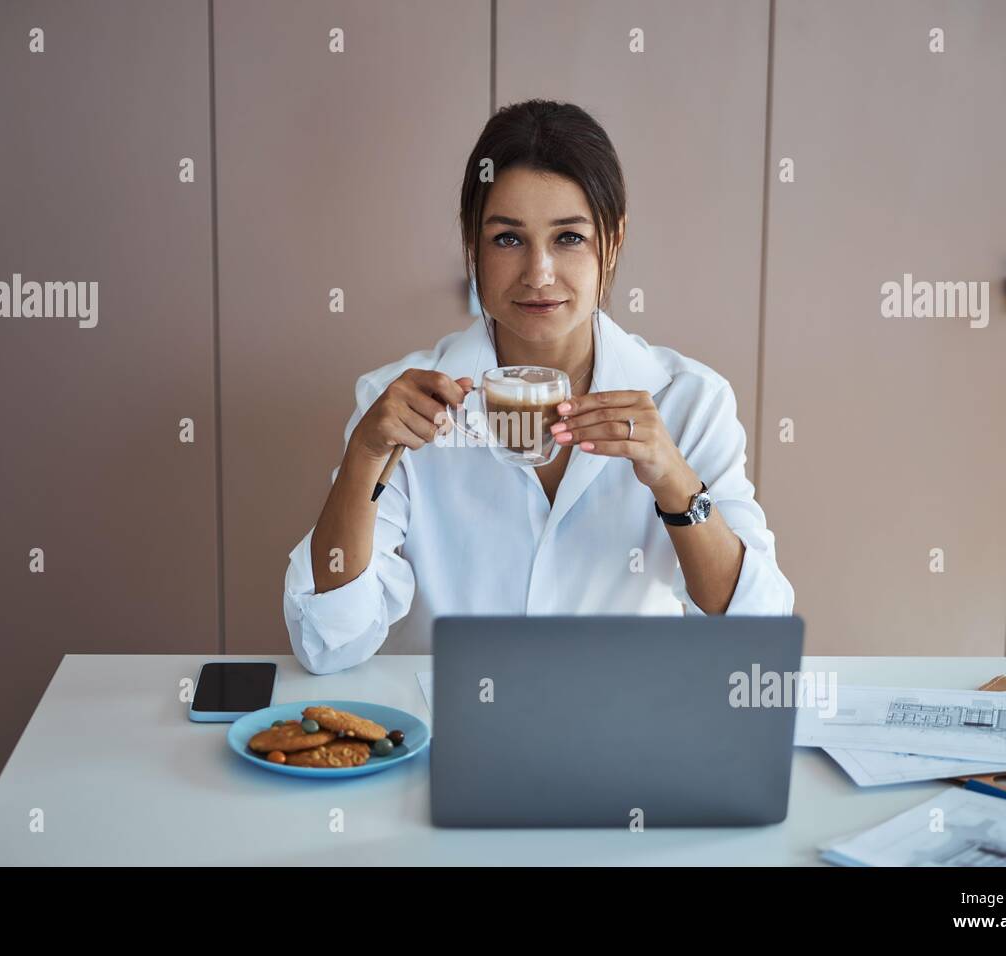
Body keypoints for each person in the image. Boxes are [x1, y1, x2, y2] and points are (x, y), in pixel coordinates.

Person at [284, 99, 793, 675]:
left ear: (614, 241)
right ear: (472, 248)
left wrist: (675, 483)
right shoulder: (397, 405)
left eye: (569, 238)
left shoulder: (690, 400)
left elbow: (758, 638)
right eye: (507, 239)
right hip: (450, 737)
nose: (538, 273)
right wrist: (363, 458)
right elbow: (329, 642)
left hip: (620, 736)